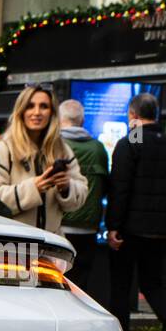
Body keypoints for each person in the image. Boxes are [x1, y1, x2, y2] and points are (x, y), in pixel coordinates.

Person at [107, 92, 166, 331]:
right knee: (152, 281)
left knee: (121, 285)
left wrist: (113, 226)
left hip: (131, 229)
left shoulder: (133, 141)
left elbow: (121, 186)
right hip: (162, 229)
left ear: (132, 115)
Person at [0, 84, 88, 234]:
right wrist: (34, 187)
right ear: (21, 111)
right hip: (14, 244)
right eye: (30, 106)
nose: (37, 112)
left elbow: (81, 194)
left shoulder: (62, 149)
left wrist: (66, 187)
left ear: (52, 113)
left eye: (43, 106)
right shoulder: (4, 148)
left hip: (51, 245)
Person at [57, 98, 109, 298]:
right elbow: (104, 186)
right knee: (81, 281)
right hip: (89, 226)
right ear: (82, 120)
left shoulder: (57, 146)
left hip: (61, 224)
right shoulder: (98, 148)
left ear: (61, 119)